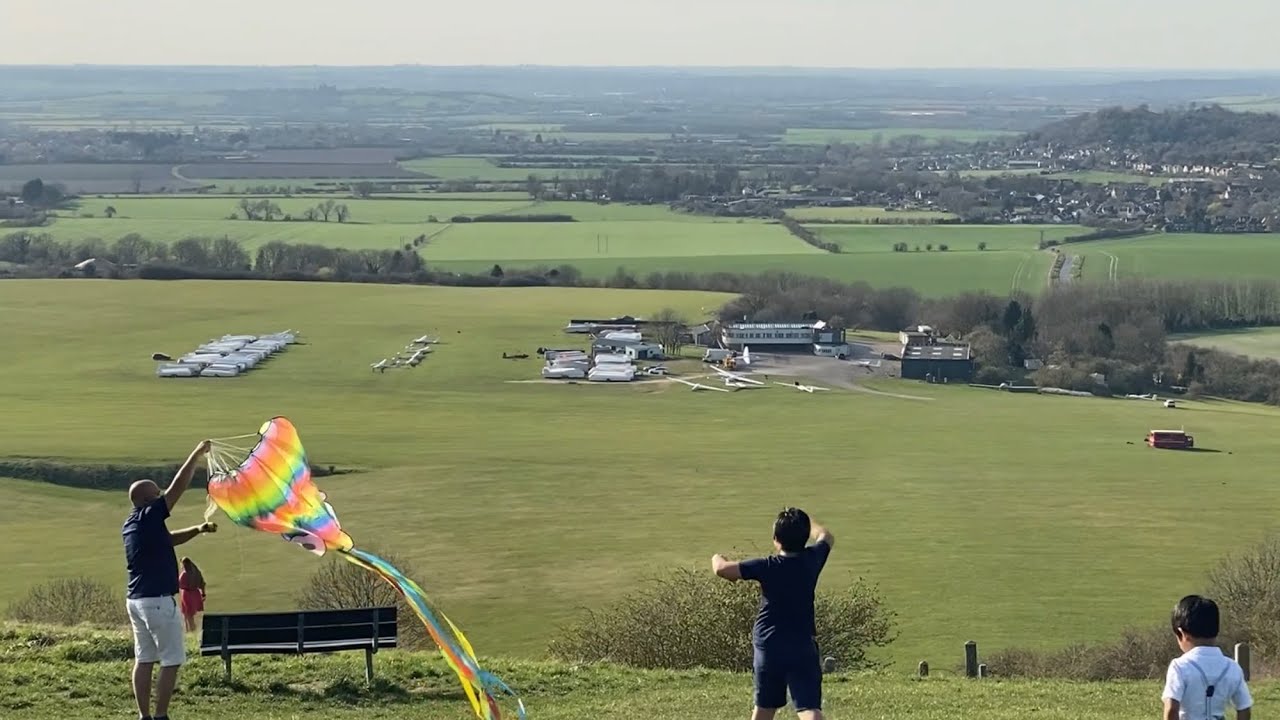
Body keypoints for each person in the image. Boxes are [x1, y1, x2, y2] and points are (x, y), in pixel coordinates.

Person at [122, 440, 218, 720]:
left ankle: (145, 716)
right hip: (159, 603)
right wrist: (197, 454)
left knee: (144, 659)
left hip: (137, 601)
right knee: (172, 660)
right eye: (156, 494)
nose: (161, 496)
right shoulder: (151, 513)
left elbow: (169, 540)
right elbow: (177, 487)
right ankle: (161, 715)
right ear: (146, 500)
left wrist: (198, 529)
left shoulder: (132, 524)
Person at [711, 508, 834, 720]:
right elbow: (826, 537)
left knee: (764, 708)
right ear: (804, 538)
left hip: (769, 643)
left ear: (776, 539)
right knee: (808, 708)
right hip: (802, 643)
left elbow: (722, 569)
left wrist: (716, 557)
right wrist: (808, 523)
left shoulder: (767, 566)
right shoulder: (812, 560)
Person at [1162, 595, 1252, 720]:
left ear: (1182, 633)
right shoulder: (1232, 667)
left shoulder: (1179, 666)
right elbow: (1244, 708)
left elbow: (1172, 709)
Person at [178, 557, 206, 633]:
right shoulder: (196, 572)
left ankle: (190, 629)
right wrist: (203, 594)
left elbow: (179, 585)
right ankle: (192, 629)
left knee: (187, 614)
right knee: (193, 614)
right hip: (196, 593)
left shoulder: (184, 574)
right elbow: (202, 583)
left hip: (187, 594)